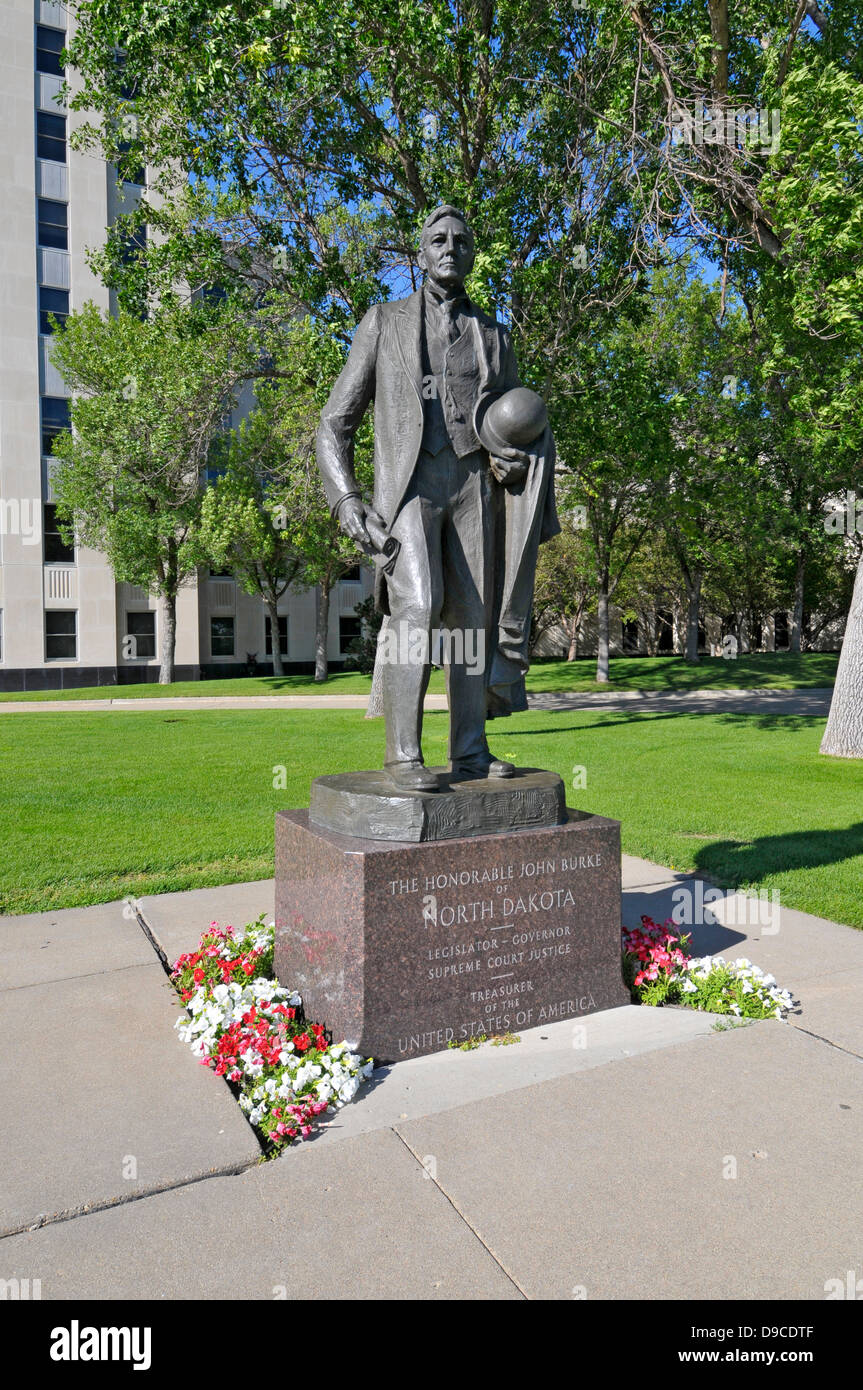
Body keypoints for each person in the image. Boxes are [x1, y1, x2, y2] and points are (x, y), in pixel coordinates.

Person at [317, 205, 559, 791]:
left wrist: (510, 461)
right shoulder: (383, 321)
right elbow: (334, 424)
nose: (449, 247)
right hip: (410, 492)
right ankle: (403, 755)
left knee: (472, 621)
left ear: (474, 254)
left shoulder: (494, 337)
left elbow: (502, 426)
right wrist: (348, 502)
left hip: (475, 490)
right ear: (420, 252)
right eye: (437, 239)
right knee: (419, 609)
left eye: (461, 240)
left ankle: (471, 752)